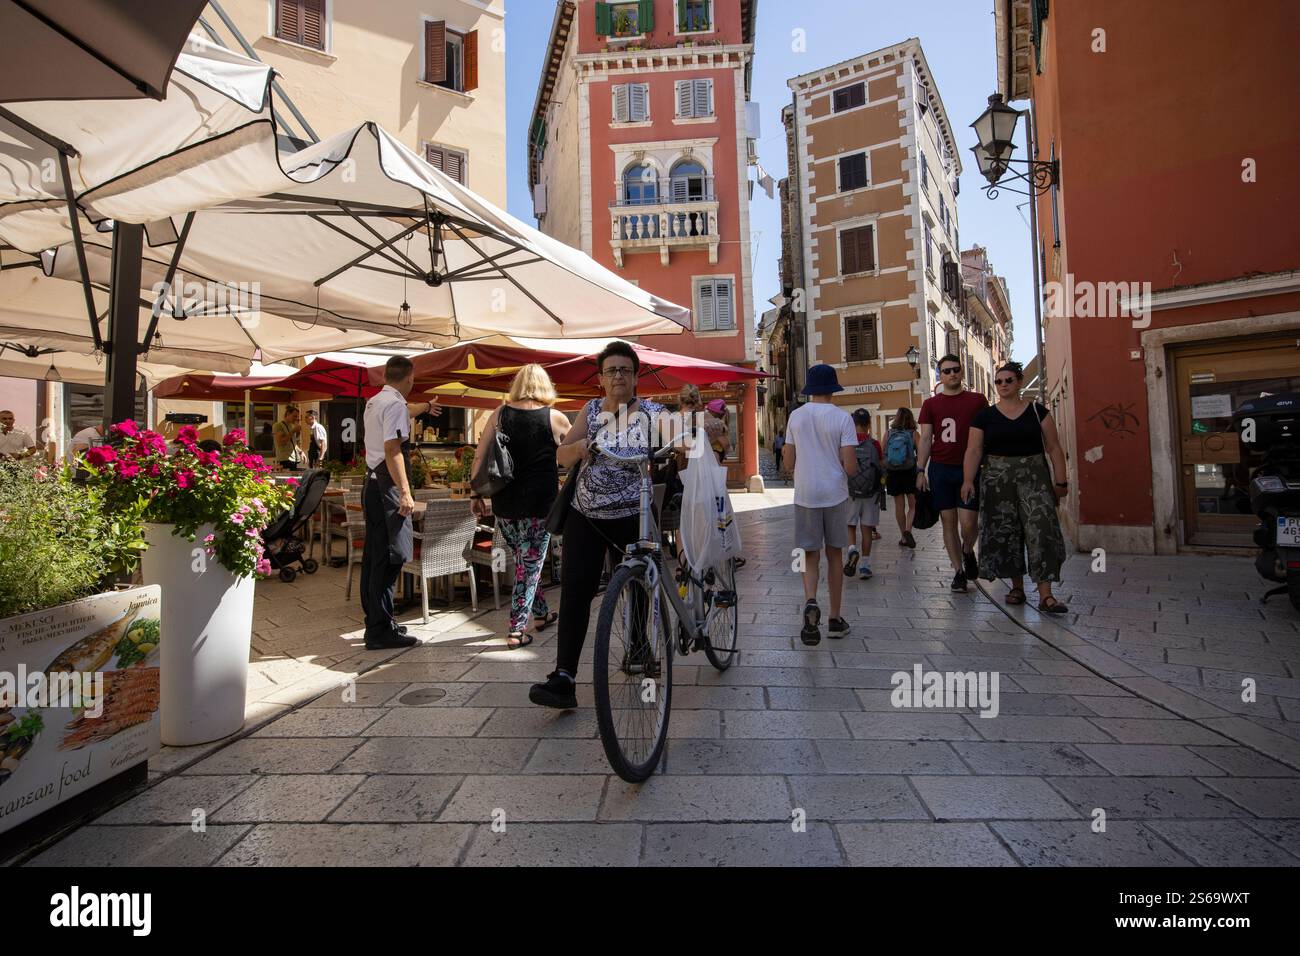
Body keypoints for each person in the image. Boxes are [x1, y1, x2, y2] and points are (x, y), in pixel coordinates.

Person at [530, 341, 665, 710]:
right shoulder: (589, 411)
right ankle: (564, 678)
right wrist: (578, 448)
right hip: (585, 515)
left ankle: (639, 647)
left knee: (636, 585)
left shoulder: (652, 411)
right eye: (611, 371)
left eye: (625, 370)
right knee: (574, 593)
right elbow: (561, 453)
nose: (618, 376)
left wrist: (692, 435)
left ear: (636, 377)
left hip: (631, 513)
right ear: (602, 379)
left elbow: (680, 433)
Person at [470, 364, 571, 650]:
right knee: (529, 565)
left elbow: (479, 458)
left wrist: (474, 494)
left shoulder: (499, 414)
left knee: (526, 562)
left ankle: (540, 614)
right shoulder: (556, 418)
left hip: (505, 503)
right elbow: (574, 456)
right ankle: (516, 630)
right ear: (545, 386)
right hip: (540, 504)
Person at [962, 361, 1070, 615]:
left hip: (1034, 479)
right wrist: (968, 480)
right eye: (998, 382)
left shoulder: (1037, 412)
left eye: (1008, 380)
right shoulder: (984, 417)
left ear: (1019, 382)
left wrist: (1061, 481)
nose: (1003, 385)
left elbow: (1053, 447)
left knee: (1041, 530)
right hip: (996, 482)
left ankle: (1046, 595)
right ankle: (1016, 587)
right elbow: (974, 450)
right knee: (1005, 532)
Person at [360, 357, 442, 650]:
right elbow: (393, 449)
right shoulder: (395, 406)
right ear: (410, 378)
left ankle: (376, 619)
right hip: (387, 488)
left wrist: (424, 407)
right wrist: (406, 492)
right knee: (391, 556)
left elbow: (407, 409)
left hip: (370, 485)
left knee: (374, 555)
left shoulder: (375, 402)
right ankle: (380, 630)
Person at [783, 364, 858, 646]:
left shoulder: (796, 417)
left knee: (809, 555)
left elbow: (789, 463)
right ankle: (835, 619)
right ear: (833, 388)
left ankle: (811, 601)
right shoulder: (842, 418)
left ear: (810, 389)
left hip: (805, 494)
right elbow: (850, 466)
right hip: (835, 494)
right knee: (835, 555)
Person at [917, 355, 989, 592]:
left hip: (969, 468)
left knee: (969, 523)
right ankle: (958, 571)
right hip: (941, 469)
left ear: (962, 372)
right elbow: (926, 438)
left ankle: (968, 550)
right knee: (948, 522)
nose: (952, 374)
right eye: (946, 371)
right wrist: (921, 469)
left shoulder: (978, 401)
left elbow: (987, 434)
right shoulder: (930, 404)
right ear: (940, 374)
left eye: (956, 370)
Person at [844, 408, 885, 581]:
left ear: (852, 425)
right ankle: (865, 566)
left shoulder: (847, 444)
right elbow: (881, 466)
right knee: (867, 530)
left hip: (850, 492)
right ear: (868, 424)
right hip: (870, 493)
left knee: (850, 526)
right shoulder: (874, 444)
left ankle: (852, 550)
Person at [884, 408, 919, 548]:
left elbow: (882, 453)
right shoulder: (914, 434)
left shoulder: (888, 433)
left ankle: (903, 537)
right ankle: (908, 531)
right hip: (910, 471)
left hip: (893, 472)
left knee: (899, 506)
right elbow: (922, 453)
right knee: (913, 505)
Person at [273, 406, 305, 470]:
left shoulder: (291, 426)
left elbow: (293, 442)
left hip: (293, 459)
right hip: (285, 459)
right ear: (288, 414)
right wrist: (293, 431)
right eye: (294, 416)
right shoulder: (278, 425)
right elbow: (280, 442)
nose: (296, 418)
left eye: (297, 417)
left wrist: (301, 452)